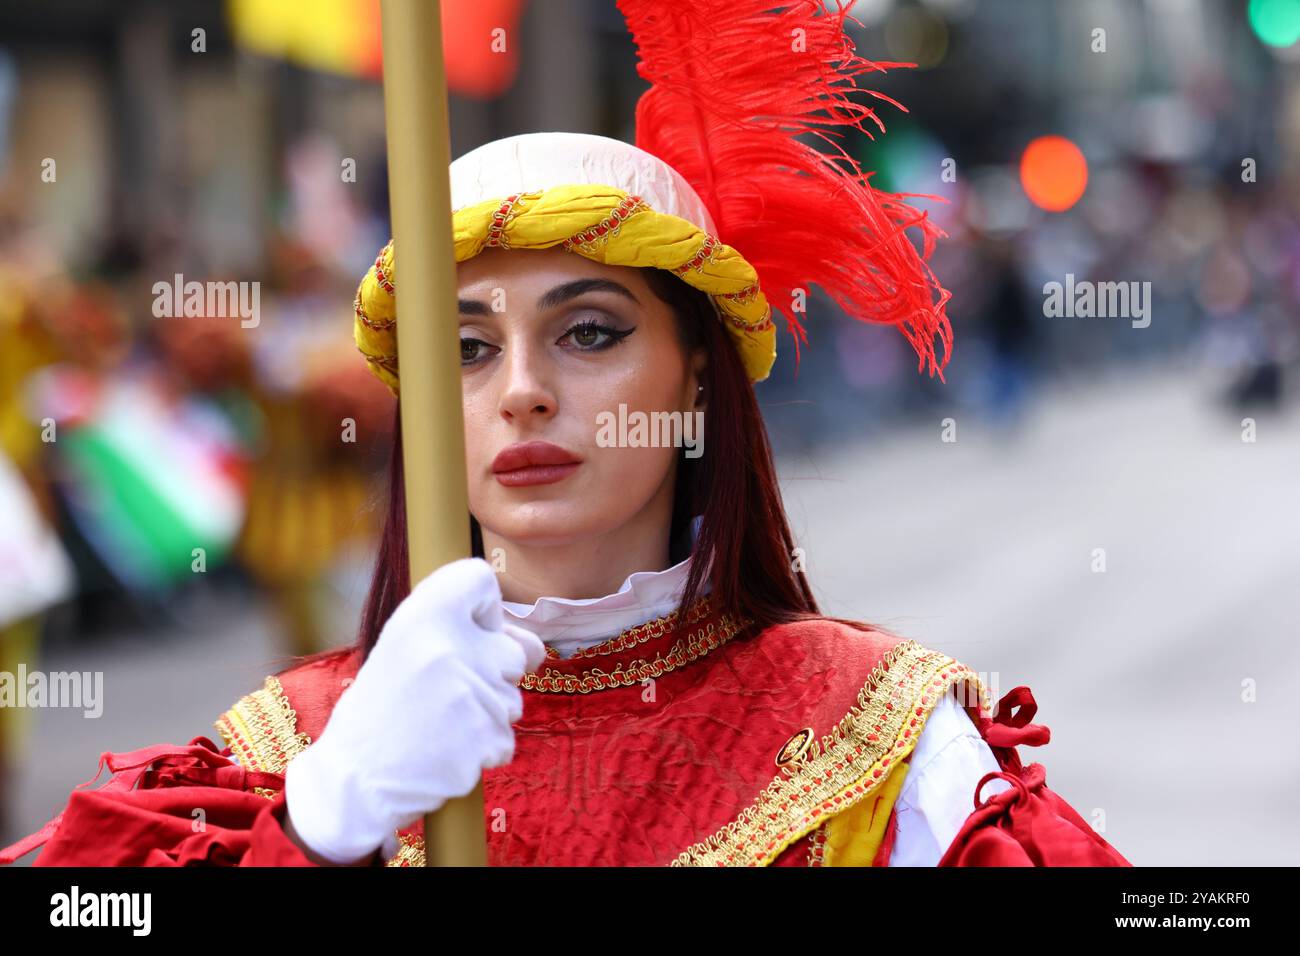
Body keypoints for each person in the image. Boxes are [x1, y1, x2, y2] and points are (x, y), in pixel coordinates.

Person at [2, 0, 1129, 868]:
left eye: (588, 333)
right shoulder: (284, 750)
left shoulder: (887, 741)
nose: (524, 391)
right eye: (468, 347)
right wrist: (321, 820)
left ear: (695, 372)